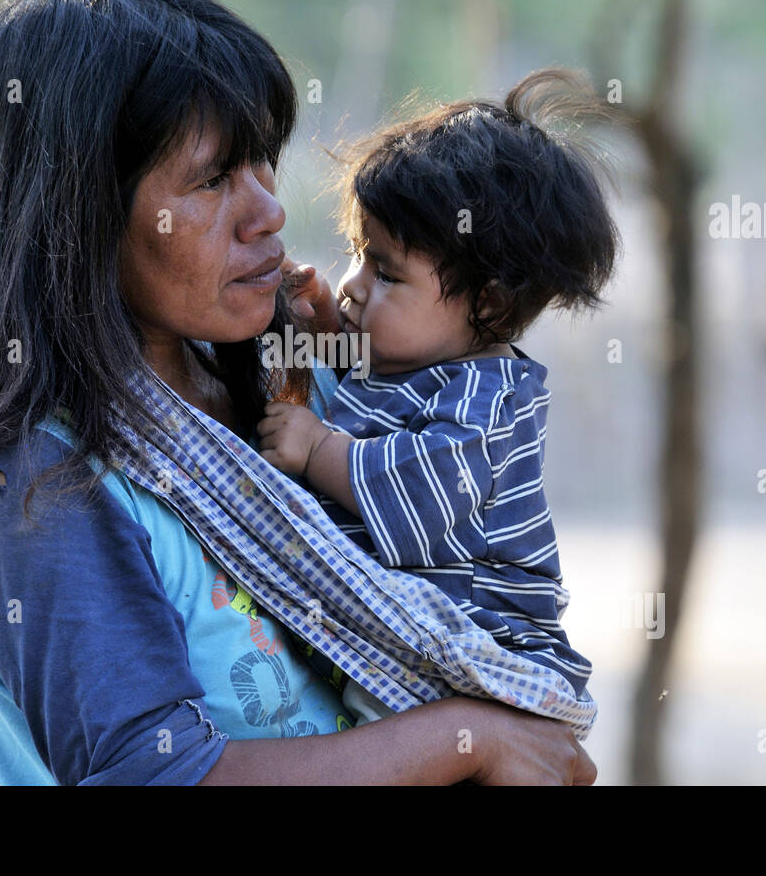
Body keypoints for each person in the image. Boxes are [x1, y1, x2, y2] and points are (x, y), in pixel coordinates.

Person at [0, 0, 597, 786]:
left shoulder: (280, 376)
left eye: (262, 160)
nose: (268, 209)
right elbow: (156, 774)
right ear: (78, 212)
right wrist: (466, 739)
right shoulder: (29, 478)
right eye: (209, 178)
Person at [257, 70, 618, 724]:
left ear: (489, 302)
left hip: (487, 664)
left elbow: (420, 490)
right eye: (357, 253)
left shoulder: (489, 402)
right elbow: (374, 380)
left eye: (386, 271)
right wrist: (324, 328)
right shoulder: (419, 353)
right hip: (426, 651)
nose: (355, 285)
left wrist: (315, 450)